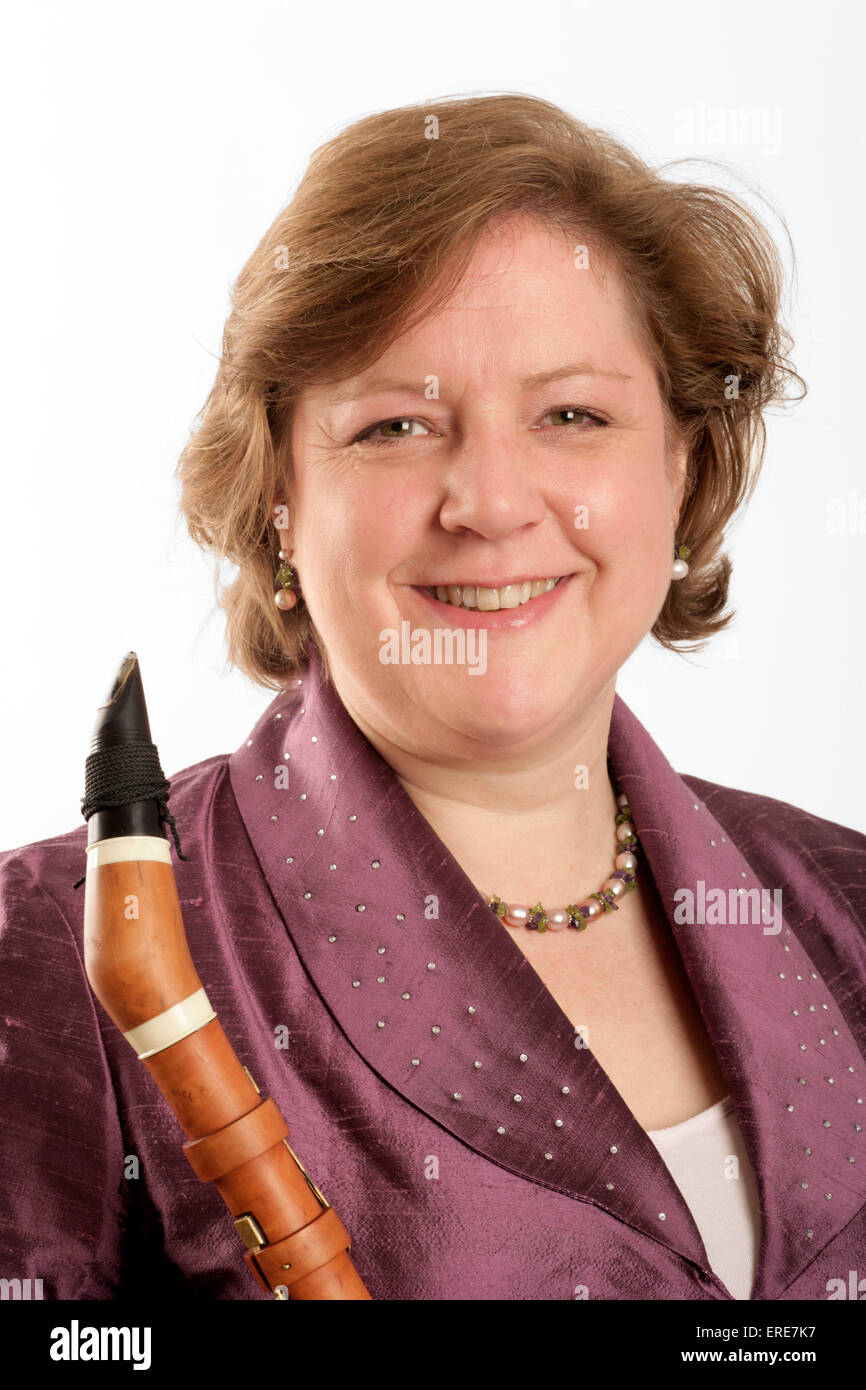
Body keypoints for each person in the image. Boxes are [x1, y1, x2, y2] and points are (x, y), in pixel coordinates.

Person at [2, 93, 864, 1303]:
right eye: (396, 425)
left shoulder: (847, 903)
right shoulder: (46, 950)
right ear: (278, 499)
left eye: (573, 414)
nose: (490, 502)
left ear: (678, 462)